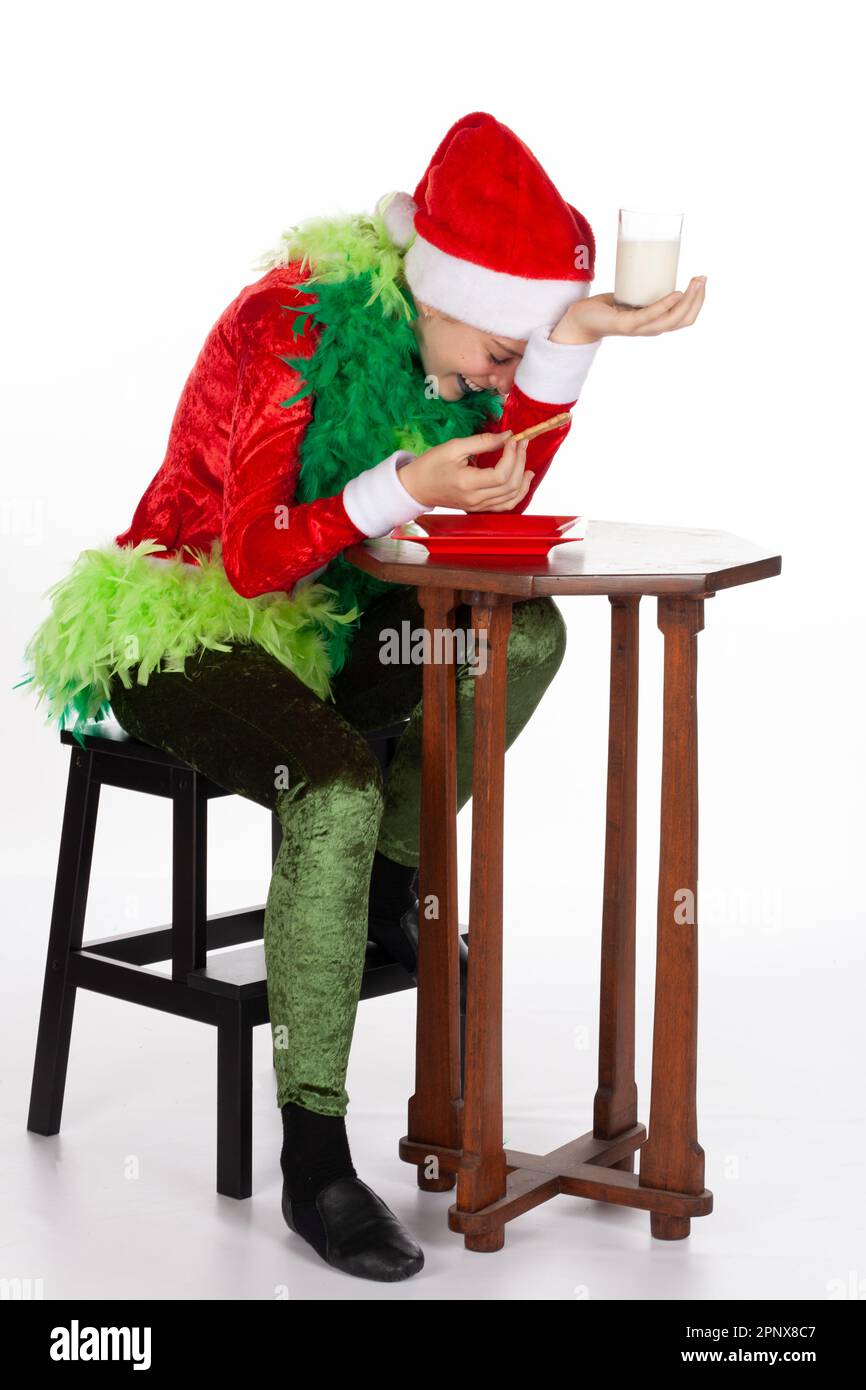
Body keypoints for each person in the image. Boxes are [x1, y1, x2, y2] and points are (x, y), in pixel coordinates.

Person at [19, 111, 705, 1283]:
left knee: (513, 638)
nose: (501, 376)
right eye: (506, 346)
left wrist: (576, 337)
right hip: (186, 622)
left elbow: (504, 472)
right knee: (330, 789)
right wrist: (398, 485)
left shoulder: (449, 342)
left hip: (324, 623)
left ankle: (392, 897)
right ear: (440, 288)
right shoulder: (291, 322)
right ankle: (315, 1161)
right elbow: (245, 559)